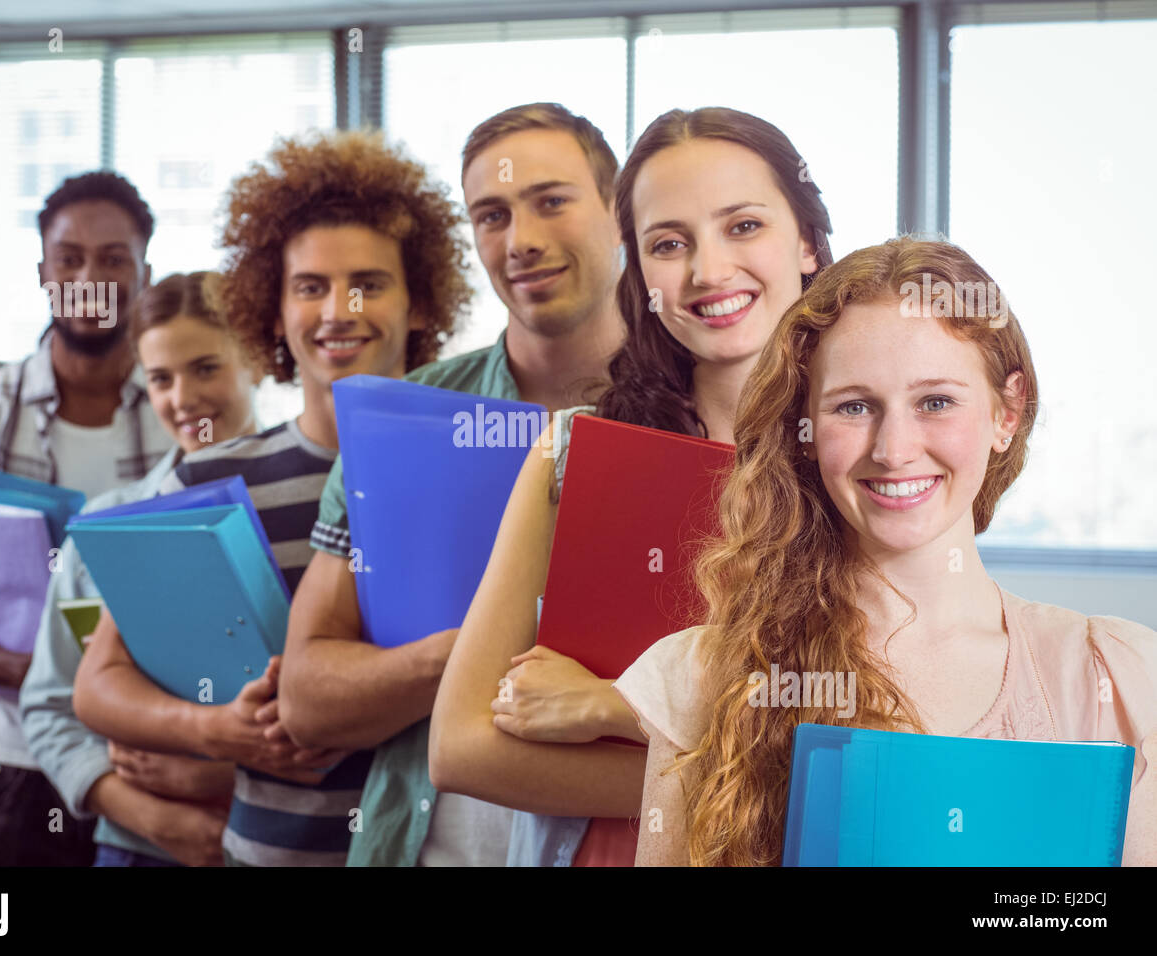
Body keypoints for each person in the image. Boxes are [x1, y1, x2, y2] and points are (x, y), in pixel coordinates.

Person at [614, 237, 1157, 866]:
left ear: (1007, 412)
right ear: (806, 430)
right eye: (854, 406)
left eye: (935, 402)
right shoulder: (703, 678)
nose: (894, 449)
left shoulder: (1114, 677)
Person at [429, 107, 833, 866]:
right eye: (669, 244)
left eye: (743, 226)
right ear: (638, 270)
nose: (709, 271)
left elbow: (866, 747)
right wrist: (732, 773)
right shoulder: (573, 452)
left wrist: (612, 709)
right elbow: (459, 748)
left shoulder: (867, 461)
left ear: (807, 242)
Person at [73, 129, 473, 866]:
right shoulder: (210, 479)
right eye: (310, 287)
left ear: (420, 304)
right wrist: (216, 730)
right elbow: (98, 686)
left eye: (369, 283)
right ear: (273, 309)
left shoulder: (473, 468)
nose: (337, 311)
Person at [279, 102, 626, 867]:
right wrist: (473, 652)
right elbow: (306, 698)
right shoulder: (401, 417)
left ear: (619, 212)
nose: (522, 240)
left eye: (552, 201)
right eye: (492, 214)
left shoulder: (698, 415)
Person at [0, 171, 173, 866]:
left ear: (145, 273)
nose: (89, 277)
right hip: (6, 765)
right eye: (69, 259)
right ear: (42, 272)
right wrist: (34, 668)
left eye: (114, 260)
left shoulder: (184, 418)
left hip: (152, 761)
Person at [22, 271, 266, 867]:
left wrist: (222, 777)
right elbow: (48, 704)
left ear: (256, 361)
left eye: (206, 368)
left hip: (284, 839)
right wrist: (157, 819)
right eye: (160, 378)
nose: (182, 399)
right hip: (139, 847)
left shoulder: (313, 507)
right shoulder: (107, 526)